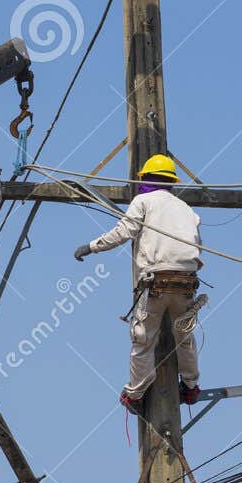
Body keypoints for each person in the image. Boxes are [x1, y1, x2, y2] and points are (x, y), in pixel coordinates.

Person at [74, 155, 204, 415]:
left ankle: (135, 393)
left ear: (144, 178)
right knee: (184, 338)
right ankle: (190, 386)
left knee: (143, 339)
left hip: (156, 283)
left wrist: (91, 247)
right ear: (171, 182)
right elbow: (196, 247)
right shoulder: (187, 210)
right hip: (185, 284)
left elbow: (123, 232)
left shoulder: (142, 201)